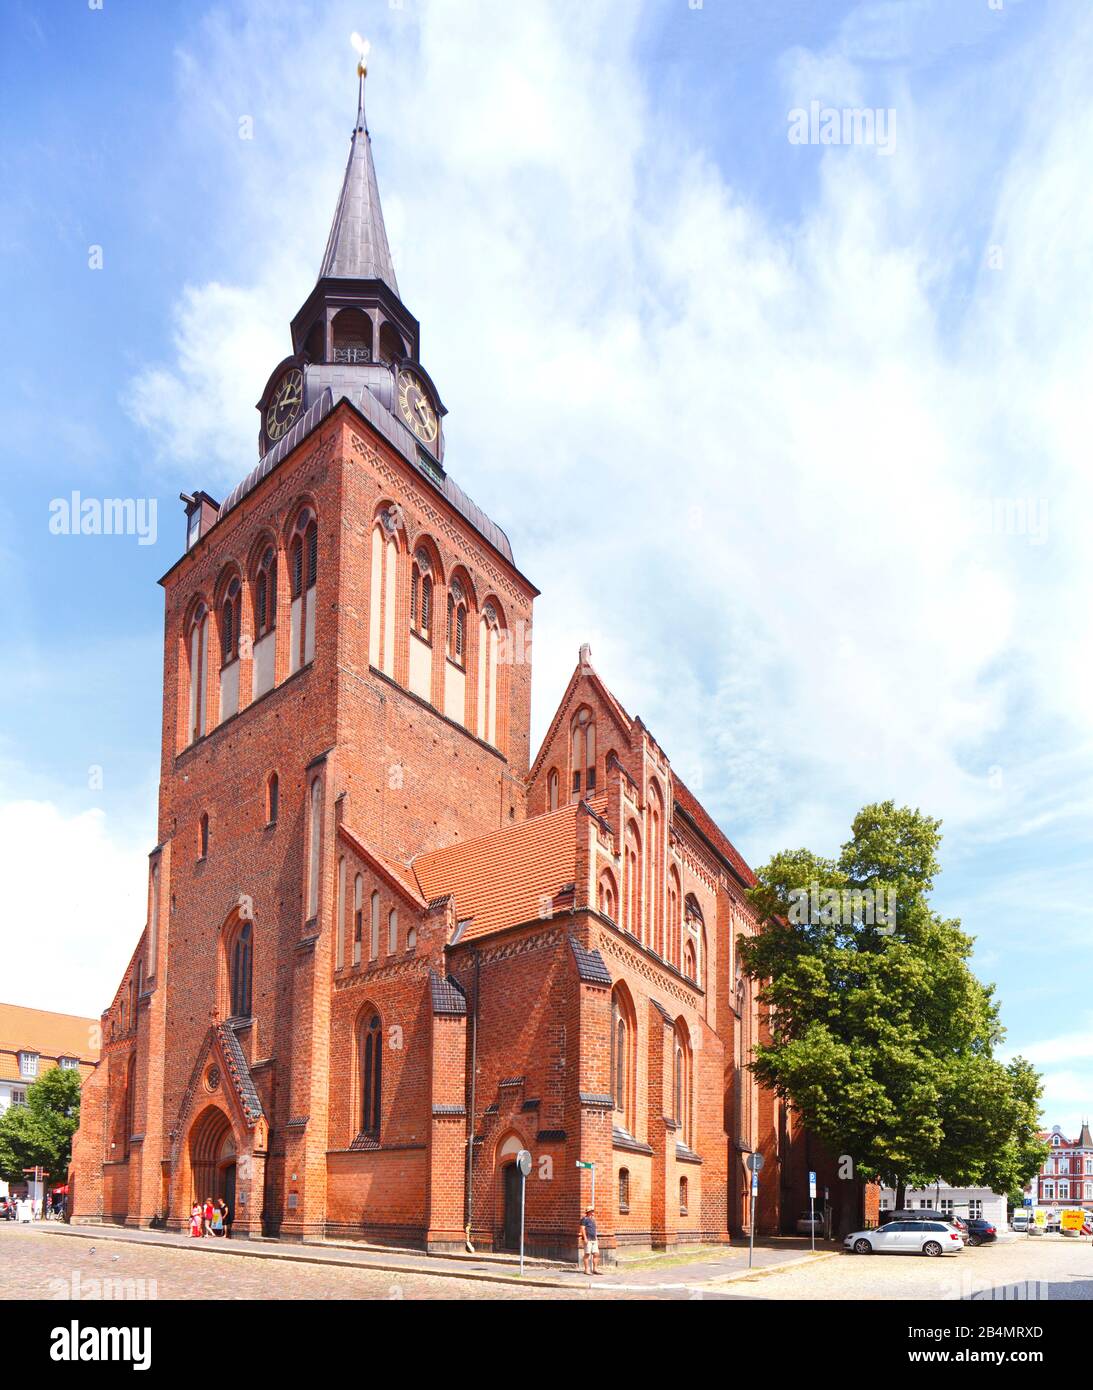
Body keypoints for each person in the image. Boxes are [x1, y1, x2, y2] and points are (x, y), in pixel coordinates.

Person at [578, 1205, 600, 1275]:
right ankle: (586, 1270)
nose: (593, 1212)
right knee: (587, 1254)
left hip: (593, 1239)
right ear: (589, 1212)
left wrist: (596, 1237)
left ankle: (595, 1269)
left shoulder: (593, 1219)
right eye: (592, 1211)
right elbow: (582, 1229)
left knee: (596, 1254)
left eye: (593, 1210)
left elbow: (594, 1230)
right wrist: (585, 1238)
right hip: (588, 1239)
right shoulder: (584, 1219)